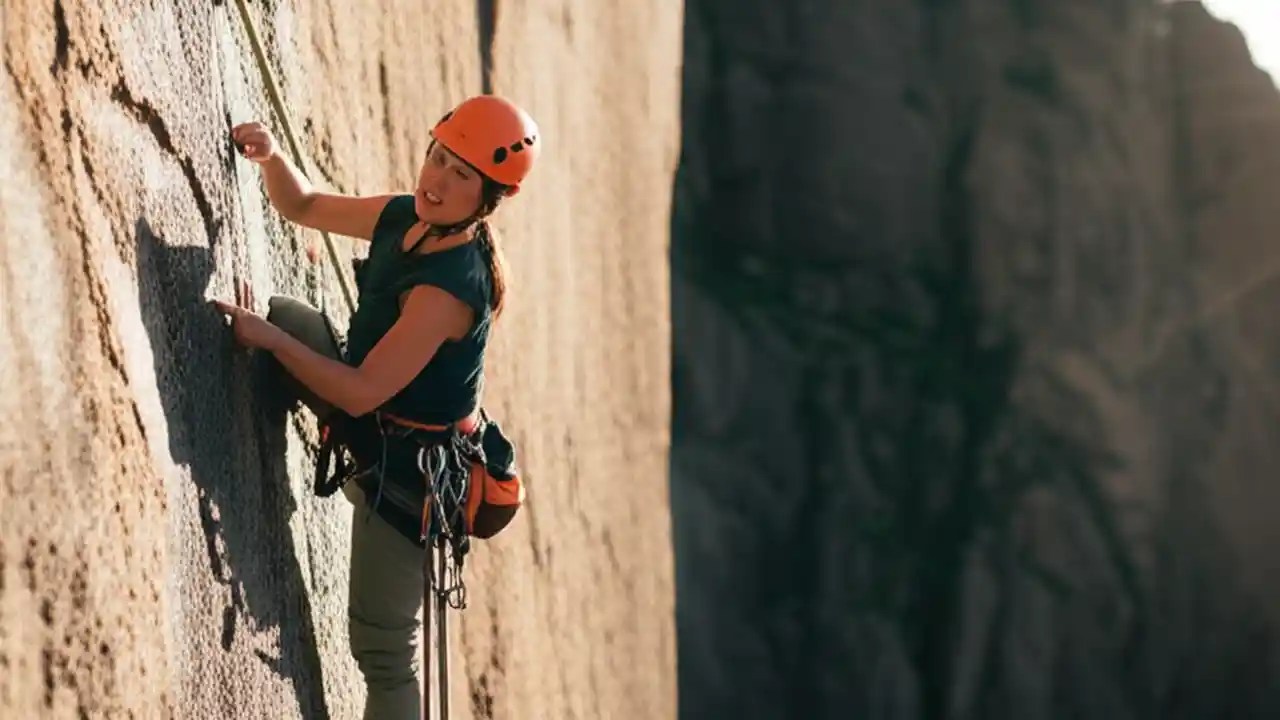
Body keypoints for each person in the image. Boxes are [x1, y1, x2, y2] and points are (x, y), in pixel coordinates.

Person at [210, 94, 540, 719]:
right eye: (437, 157)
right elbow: (302, 205)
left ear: (489, 198)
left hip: (408, 482)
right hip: (371, 419)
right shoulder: (404, 218)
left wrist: (271, 342)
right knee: (287, 317)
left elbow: (360, 391)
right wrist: (273, 157)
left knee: (383, 653)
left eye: (461, 173)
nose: (437, 179)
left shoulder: (451, 290)